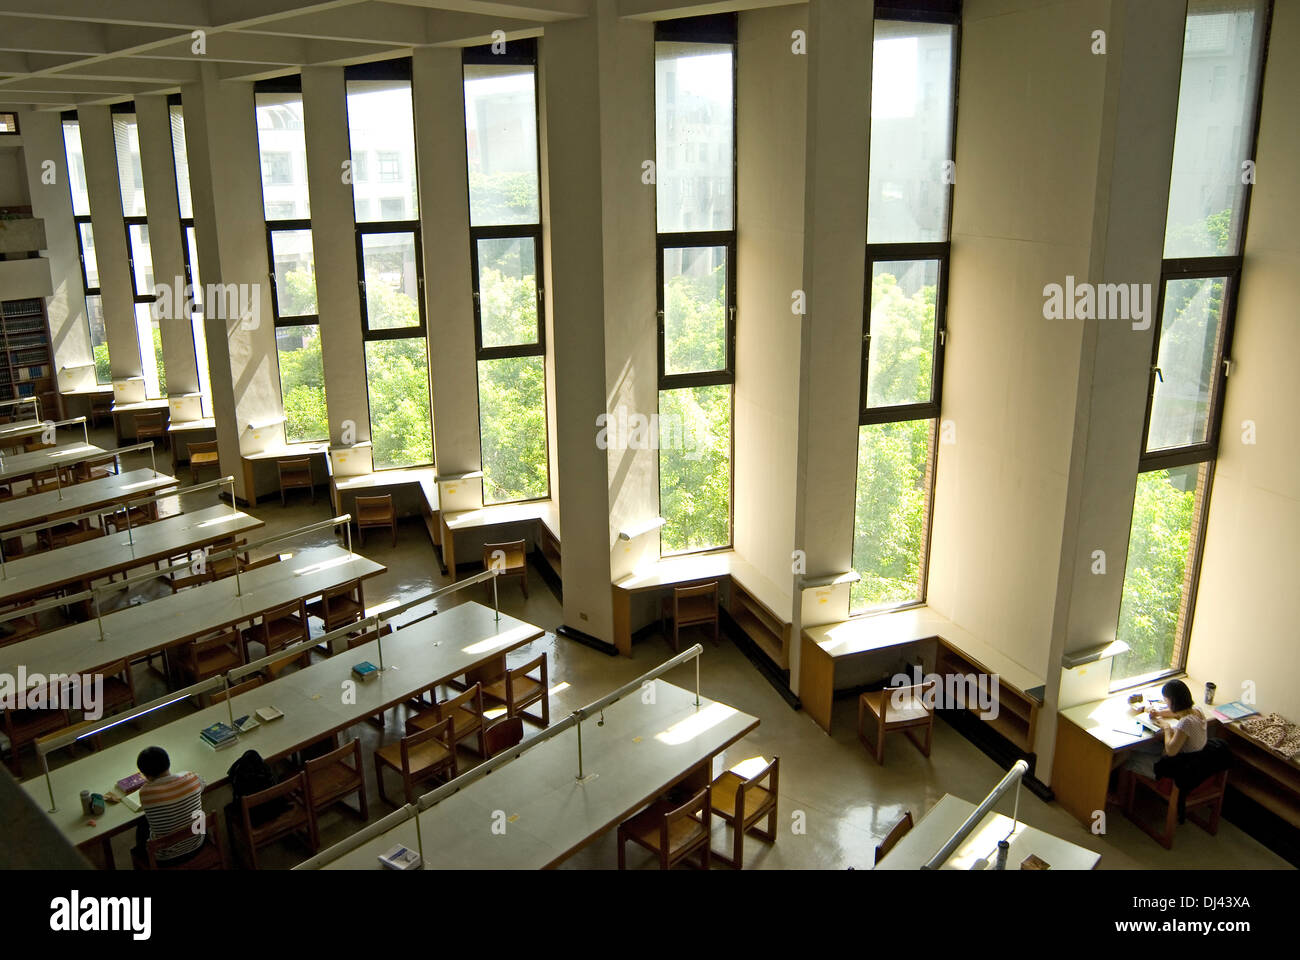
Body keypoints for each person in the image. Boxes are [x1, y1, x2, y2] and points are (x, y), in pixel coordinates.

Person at [134, 746, 207, 865]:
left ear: (146, 776)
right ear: (168, 762)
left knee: (141, 825)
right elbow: (203, 785)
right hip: (198, 843)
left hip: (165, 858)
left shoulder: (145, 792)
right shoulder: (192, 778)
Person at [1122, 679, 1207, 779]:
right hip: (1192, 760)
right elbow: (1176, 713)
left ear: (1172, 701)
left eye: (1166, 701)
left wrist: (1166, 728)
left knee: (1130, 756)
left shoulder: (1186, 722)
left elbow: (1170, 751)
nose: (1166, 704)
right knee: (1138, 747)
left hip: (1178, 766)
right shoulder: (1197, 711)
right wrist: (1158, 713)